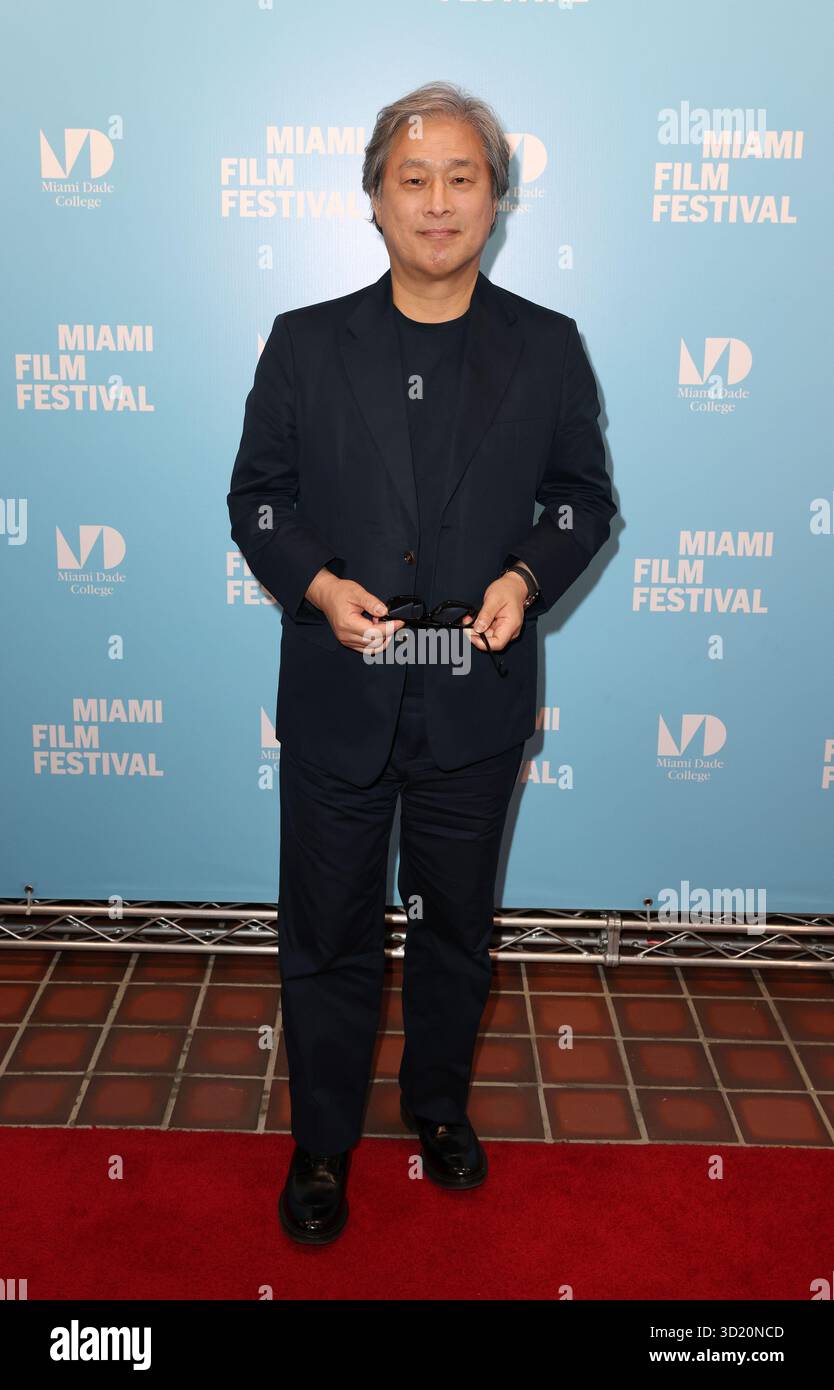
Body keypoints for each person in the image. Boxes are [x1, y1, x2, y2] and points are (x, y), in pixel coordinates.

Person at [227, 80, 617, 1245]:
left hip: (476, 704)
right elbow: (257, 501)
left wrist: (523, 580)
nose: (438, 202)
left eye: (463, 178)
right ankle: (323, 1143)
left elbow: (581, 501)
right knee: (329, 928)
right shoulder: (304, 345)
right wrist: (314, 581)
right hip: (341, 694)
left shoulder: (548, 348)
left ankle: (437, 1106)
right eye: (414, 178)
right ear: (375, 199)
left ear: (496, 200)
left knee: (457, 927)